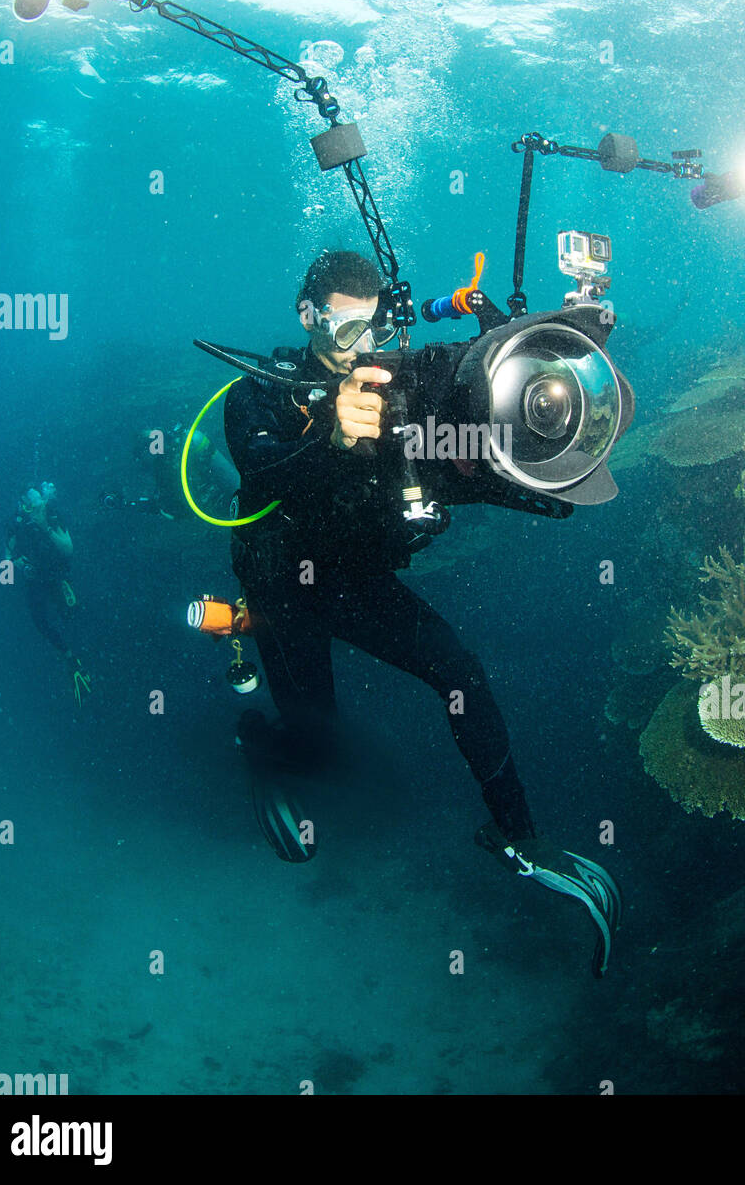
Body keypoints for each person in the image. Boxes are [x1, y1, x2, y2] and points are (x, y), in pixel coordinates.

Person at [223, 249, 621, 976]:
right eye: (342, 329)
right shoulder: (258, 395)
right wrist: (332, 436)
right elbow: (263, 470)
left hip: (356, 581)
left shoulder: (401, 388)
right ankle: (262, 750)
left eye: (372, 327)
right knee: (319, 748)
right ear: (306, 316)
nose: (360, 348)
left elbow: (479, 438)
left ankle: (518, 837)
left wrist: (548, 419)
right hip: (282, 586)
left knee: (460, 671)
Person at [5, 483, 91, 707]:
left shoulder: (52, 514)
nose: (32, 507)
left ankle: (84, 658)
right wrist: (16, 563)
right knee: (39, 621)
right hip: (35, 578)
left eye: (36, 501)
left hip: (55, 575)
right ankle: (70, 657)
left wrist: (46, 528)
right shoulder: (17, 523)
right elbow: (7, 555)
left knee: (71, 616)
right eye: (27, 503)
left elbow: (68, 549)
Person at [102, 423, 238, 519]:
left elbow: (172, 510)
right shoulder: (175, 444)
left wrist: (131, 505)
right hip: (228, 486)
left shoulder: (165, 467)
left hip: (221, 504)